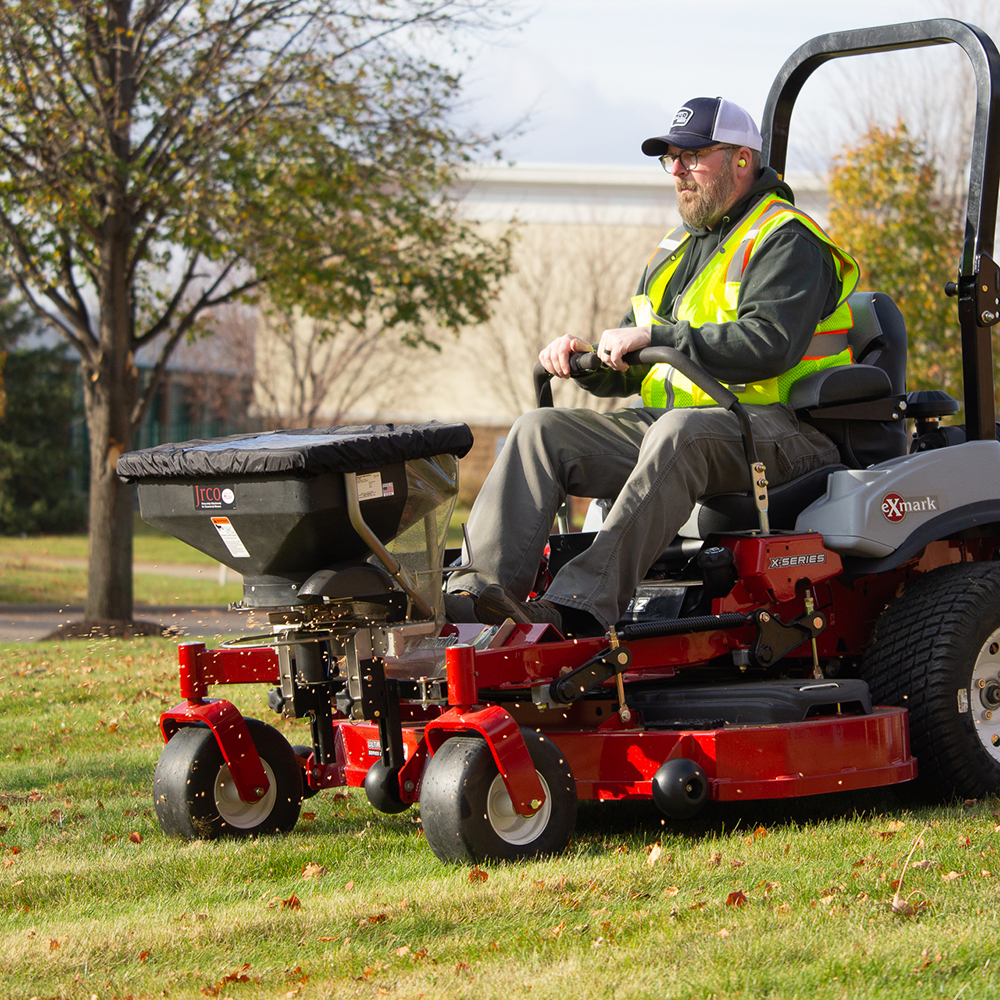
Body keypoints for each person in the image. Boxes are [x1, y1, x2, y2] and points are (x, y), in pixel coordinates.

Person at [446, 96, 857, 636]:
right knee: (538, 430)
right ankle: (477, 598)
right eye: (671, 159)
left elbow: (769, 343)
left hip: (781, 429)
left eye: (693, 156)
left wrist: (659, 336)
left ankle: (578, 607)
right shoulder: (674, 251)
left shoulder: (786, 238)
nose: (679, 171)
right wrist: (586, 360)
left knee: (680, 432)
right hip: (684, 426)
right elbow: (639, 361)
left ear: (742, 160)